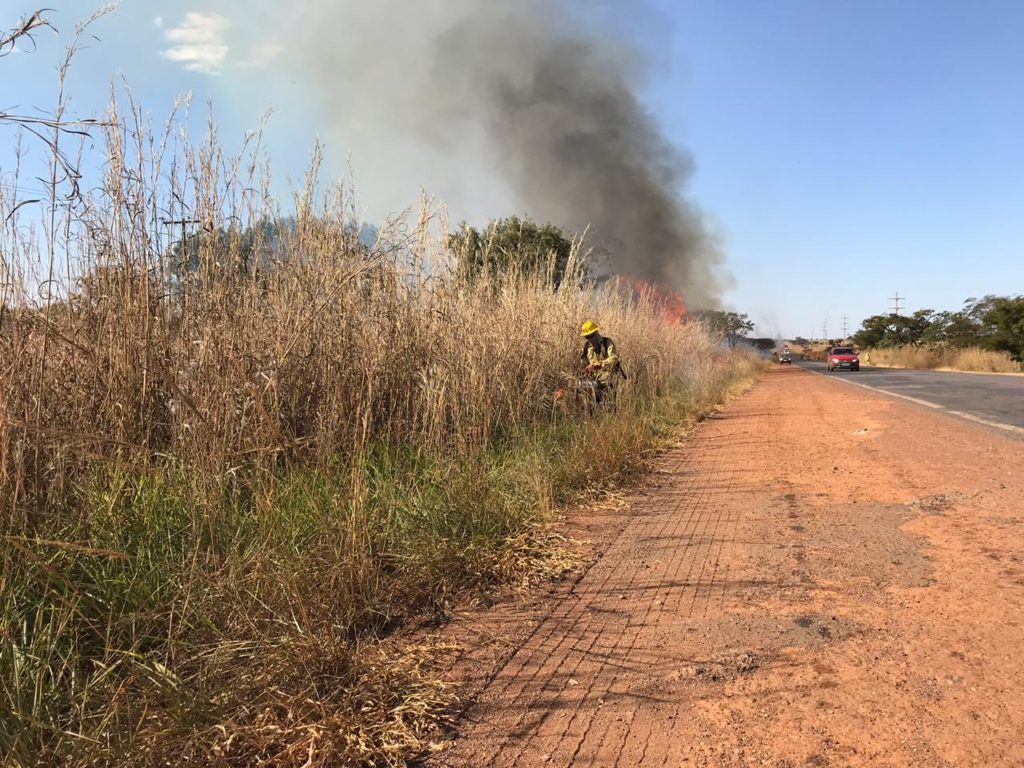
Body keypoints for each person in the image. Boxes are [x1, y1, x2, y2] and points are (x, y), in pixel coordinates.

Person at [579, 320, 623, 403]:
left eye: (590, 336)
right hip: (593, 381)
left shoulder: (607, 342)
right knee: (589, 404)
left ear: (596, 333)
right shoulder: (587, 347)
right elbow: (584, 363)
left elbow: (614, 357)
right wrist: (585, 370)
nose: (589, 339)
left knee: (609, 405)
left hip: (608, 381)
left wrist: (599, 364)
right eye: (587, 337)